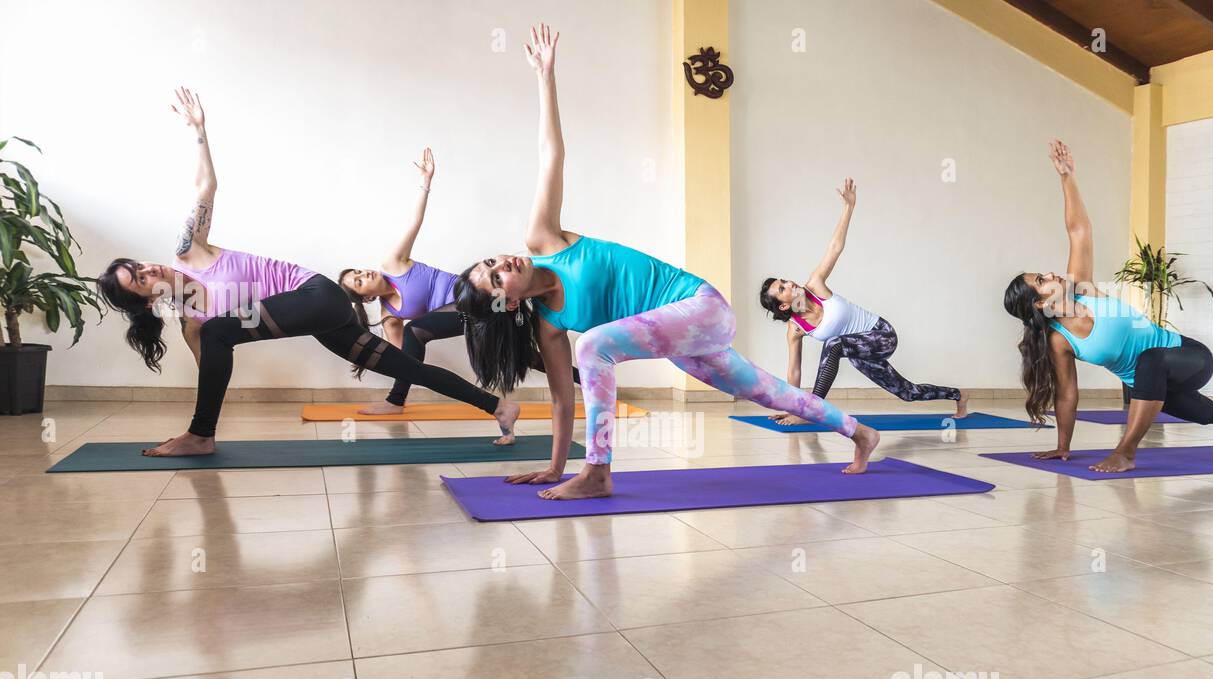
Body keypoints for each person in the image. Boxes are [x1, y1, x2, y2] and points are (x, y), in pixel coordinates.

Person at [452, 25, 879, 501]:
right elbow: (561, 399)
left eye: (494, 261)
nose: (504, 263)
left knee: (592, 345)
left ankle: (598, 471)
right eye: (496, 278)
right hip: (683, 340)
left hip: (701, 306)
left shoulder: (544, 239)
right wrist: (553, 469)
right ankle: (859, 432)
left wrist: (545, 78)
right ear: (508, 304)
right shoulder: (552, 325)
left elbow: (552, 154)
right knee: (769, 393)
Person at [97, 88, 521, 456]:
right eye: (139, 279)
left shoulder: (188, 251)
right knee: (405, 368)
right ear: (148, 298)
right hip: (325, 319)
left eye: (137, 265)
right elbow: (213, 372)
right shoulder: (195, 323)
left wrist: (198, 130)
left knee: (217, 332)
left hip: (316, 294)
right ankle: (499, 407)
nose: (147, 268)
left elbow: (206, 187)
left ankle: (200, 437)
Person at [1002, 139, 1213, 473]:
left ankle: (1126, 452)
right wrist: (1062, 447)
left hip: (1188, 358)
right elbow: (1067, 394)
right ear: (1039, 303)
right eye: (1041, 279)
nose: (1051, 273)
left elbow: (1079, 230)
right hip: (1151, 384)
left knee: (1149, 361)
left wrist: (1066, 176)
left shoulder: (1083, 289)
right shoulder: (1059, 341)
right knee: (1204, 413)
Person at [338, 148, 578, 421]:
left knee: (416, 330)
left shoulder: (393, 263)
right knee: (522, 354)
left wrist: (425, 184)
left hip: (486, 299)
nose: (364, 274)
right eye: (358, 281)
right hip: (470, 315)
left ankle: (395, 402)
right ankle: (589, 380)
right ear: (365, 298)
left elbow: (413, 223)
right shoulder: (390, 317)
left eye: (359, 270)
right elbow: (403, 361)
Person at [759, 177, 966, 425]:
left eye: (784, 280)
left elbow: (835, 247)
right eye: (782, 288)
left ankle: (814, 411)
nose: (789, 283)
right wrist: (792, 407)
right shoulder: (795, 330)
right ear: (783, 305)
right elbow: (794, 372)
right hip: (859, 352)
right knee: (907, 392)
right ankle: (959, 395)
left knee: (834, 343)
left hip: (882, 335)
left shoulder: (815, 285)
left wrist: (849, 207)